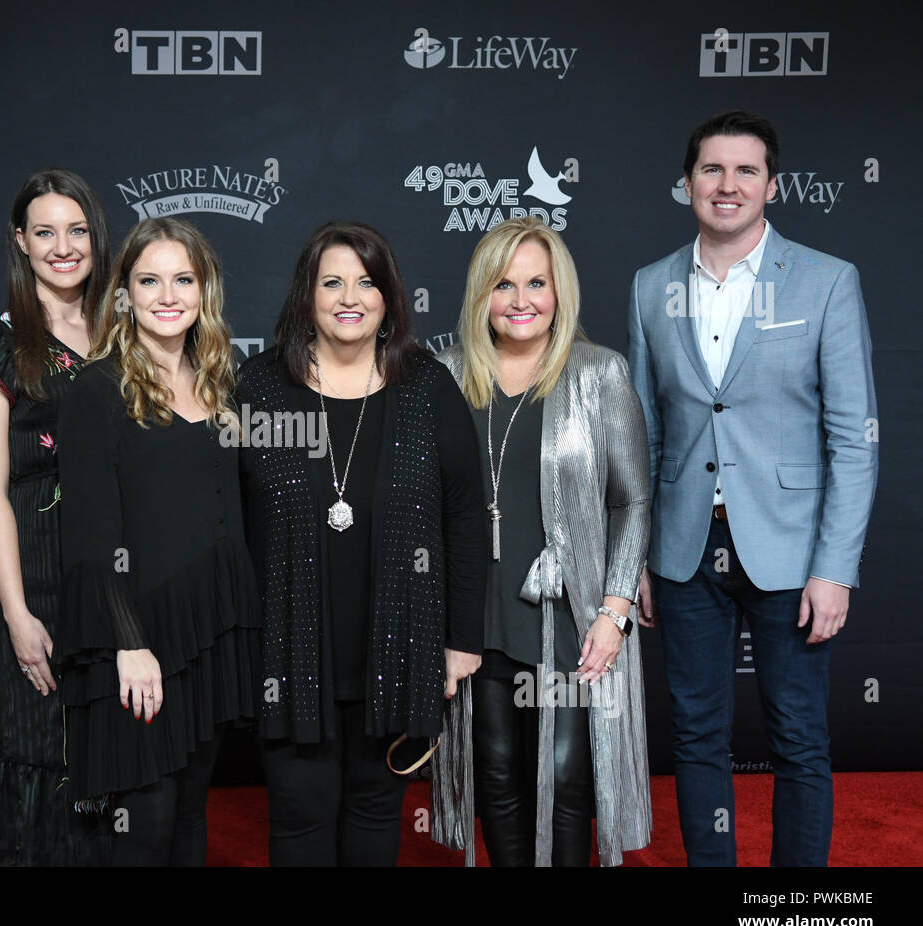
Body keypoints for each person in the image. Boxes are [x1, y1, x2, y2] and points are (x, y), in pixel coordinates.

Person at [628, 110, 879, 866]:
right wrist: (634, 557)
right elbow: (645, 439)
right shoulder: (650, 287)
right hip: (683, 549)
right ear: (687, 183)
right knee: (697, 736)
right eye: (712, 169)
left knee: (798, 735)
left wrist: (835, 568)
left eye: (745, 171)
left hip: (792, 550)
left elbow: (853, 440)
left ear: (772, 184)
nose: (727, 185)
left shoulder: (827, 281)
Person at [236, 221, 486, 867]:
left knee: (376, 815)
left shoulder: (427, 388)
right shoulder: (261, 387)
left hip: (400, 646)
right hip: (288, 647)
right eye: (332, 282)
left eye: (366, 281)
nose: (350, 296)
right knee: (298, 819)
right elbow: (227, 516)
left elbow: (465, 517)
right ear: (306, 296)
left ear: (389, 296)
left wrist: (460, 642)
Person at [436, 218, 652, 866]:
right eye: (504, 284)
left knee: (564, 780)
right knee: (495, 777)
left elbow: (632, 499)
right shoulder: (443, 376)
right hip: (479, 617)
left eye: (537, 282)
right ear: (481, 294)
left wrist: (615, 612)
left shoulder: (598, 373)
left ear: (560, 292)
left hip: (571, 616)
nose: (521, 299)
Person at [55, 216, 261, 866]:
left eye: (183, 279)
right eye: (150, 280)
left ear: (205, 290)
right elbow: (90, 532)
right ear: (124, 293)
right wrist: (129, 645)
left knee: (189, 816)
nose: (167, 295)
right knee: (141, 824)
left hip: (208, 635)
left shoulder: (223, 382)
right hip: (138, 640)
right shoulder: (96, 390)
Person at [0, 169, 111, 865]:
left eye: (76, 230)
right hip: (37, 589)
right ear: (20, 241)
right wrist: (16, 615)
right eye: (44, 232)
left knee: (112, 756)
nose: (63, 246)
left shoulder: (129, 334)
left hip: (120, 587)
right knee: (38, 753)